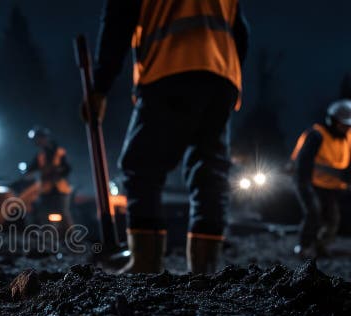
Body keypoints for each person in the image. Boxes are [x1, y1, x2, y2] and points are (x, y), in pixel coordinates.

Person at [84, 0, 248, 274]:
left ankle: (145, 262)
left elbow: (118, 20)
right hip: (222, 78)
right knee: (209, 172)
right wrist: (229, 78)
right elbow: (241, 32)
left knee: (141, 165)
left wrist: (100, 87)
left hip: (170, 66)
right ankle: (204, 270)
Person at [290, 100, 351, 258]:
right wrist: (304, 186)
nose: (346, 128)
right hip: (307, 181)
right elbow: (303, 163)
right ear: (333, 120)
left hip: (330, 185)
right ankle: (303, 247)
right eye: (343, 124)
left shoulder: (347, 137)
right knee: (313, 212)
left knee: (332, 217)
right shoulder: (316, 135)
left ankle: (321, 246)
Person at [24, 126, 73, 229]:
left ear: (43, 138)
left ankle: (73, 239)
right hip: (46, 190)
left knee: (64, 214)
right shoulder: (40, 155)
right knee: (43, 214)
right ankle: (48, 238)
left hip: (60, 190)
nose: (36, 142)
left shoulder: (59, 152)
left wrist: (57, 173)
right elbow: (30, 170)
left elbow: (68, 169)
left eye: (37, 139)